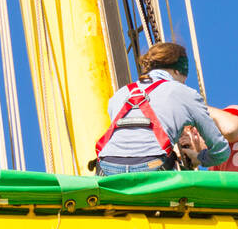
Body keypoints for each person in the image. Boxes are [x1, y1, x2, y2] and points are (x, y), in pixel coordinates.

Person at [93, 41, 230, 175]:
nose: (184, 81)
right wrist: (199, 157)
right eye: (184, 77)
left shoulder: (120, 94)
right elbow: (221, 151)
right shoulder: (185, 93)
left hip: (107, 167)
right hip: (152, 166)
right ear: (177, 71)